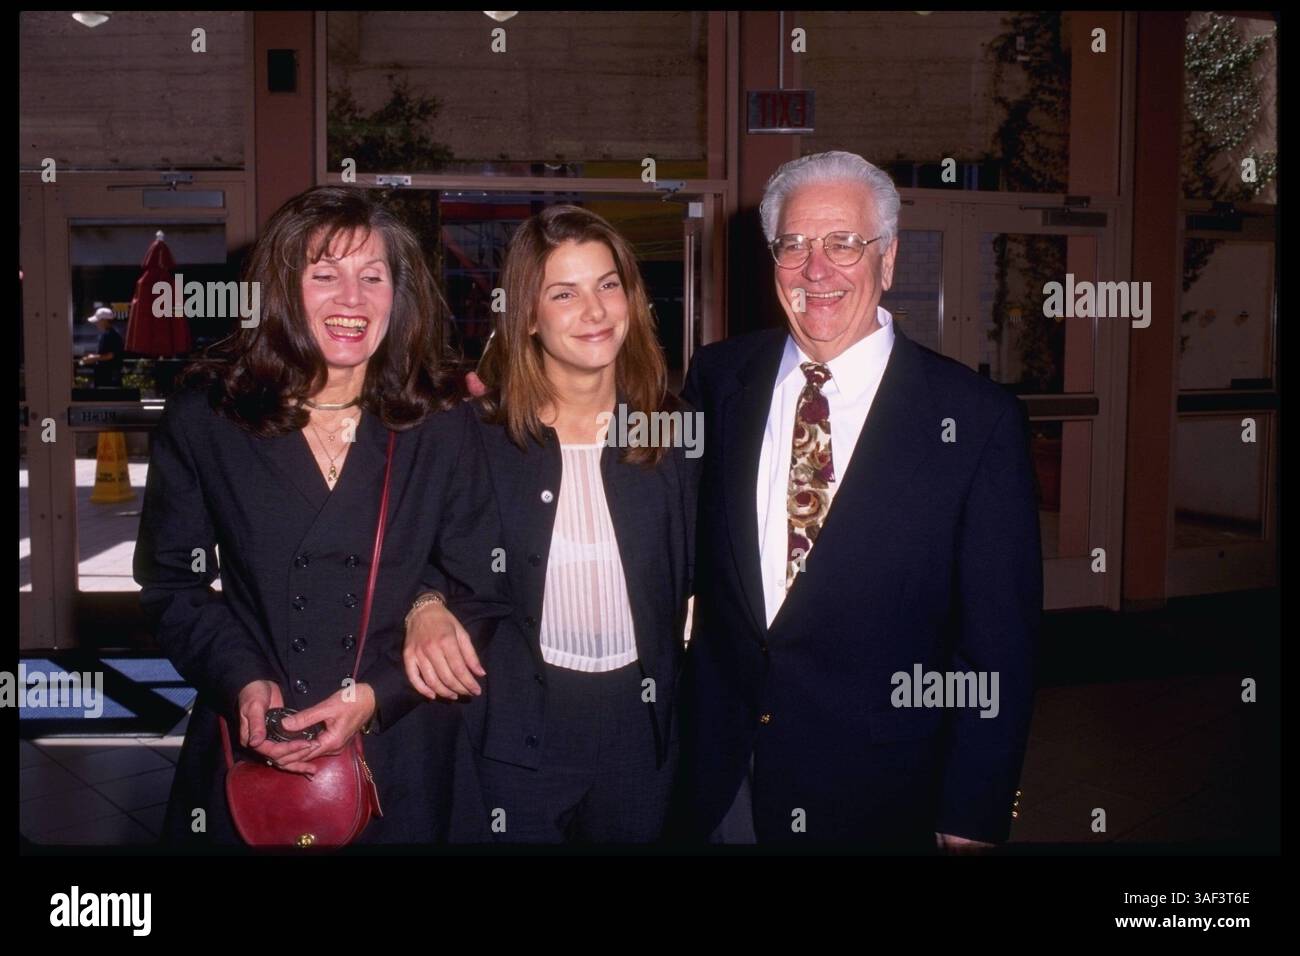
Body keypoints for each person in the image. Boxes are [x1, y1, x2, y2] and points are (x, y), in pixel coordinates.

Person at [674, 150, 1041, 850]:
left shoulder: (975, 420)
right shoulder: (719, 380)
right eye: (795, 246)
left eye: (844, 243)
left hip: (878, 797)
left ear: (890, 259)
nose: (817, 270)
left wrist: (972, 812)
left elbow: (998, 644)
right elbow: (656, 518)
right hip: (720, 788)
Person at [134, 185, 509, 845]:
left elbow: (483, 586)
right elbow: (173, 586)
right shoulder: (207, 418)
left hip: (404, 749)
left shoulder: (441, 422)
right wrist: (243, 682)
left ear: (400, 296)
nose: (352, 300)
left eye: (373, 277)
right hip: (254, 747)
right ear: (283, 288)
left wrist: (379, 690)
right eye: (325, 275)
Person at [403, 205, 698, 843]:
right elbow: (407, 550)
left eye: (608, 284)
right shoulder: (470, 436)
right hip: (512, 733)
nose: (595, 312)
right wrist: (425, 604)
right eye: (564, 293)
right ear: (528, 317)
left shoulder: (676, 433)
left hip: (642, 735)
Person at [80, 306, 125, 387]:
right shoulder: (112, 334)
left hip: (108, 378)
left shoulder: (109, 335)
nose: (96, 323)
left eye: (98, 321)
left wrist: (93, 358)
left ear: (104, 321)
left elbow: (110, 355)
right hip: (108, 377)